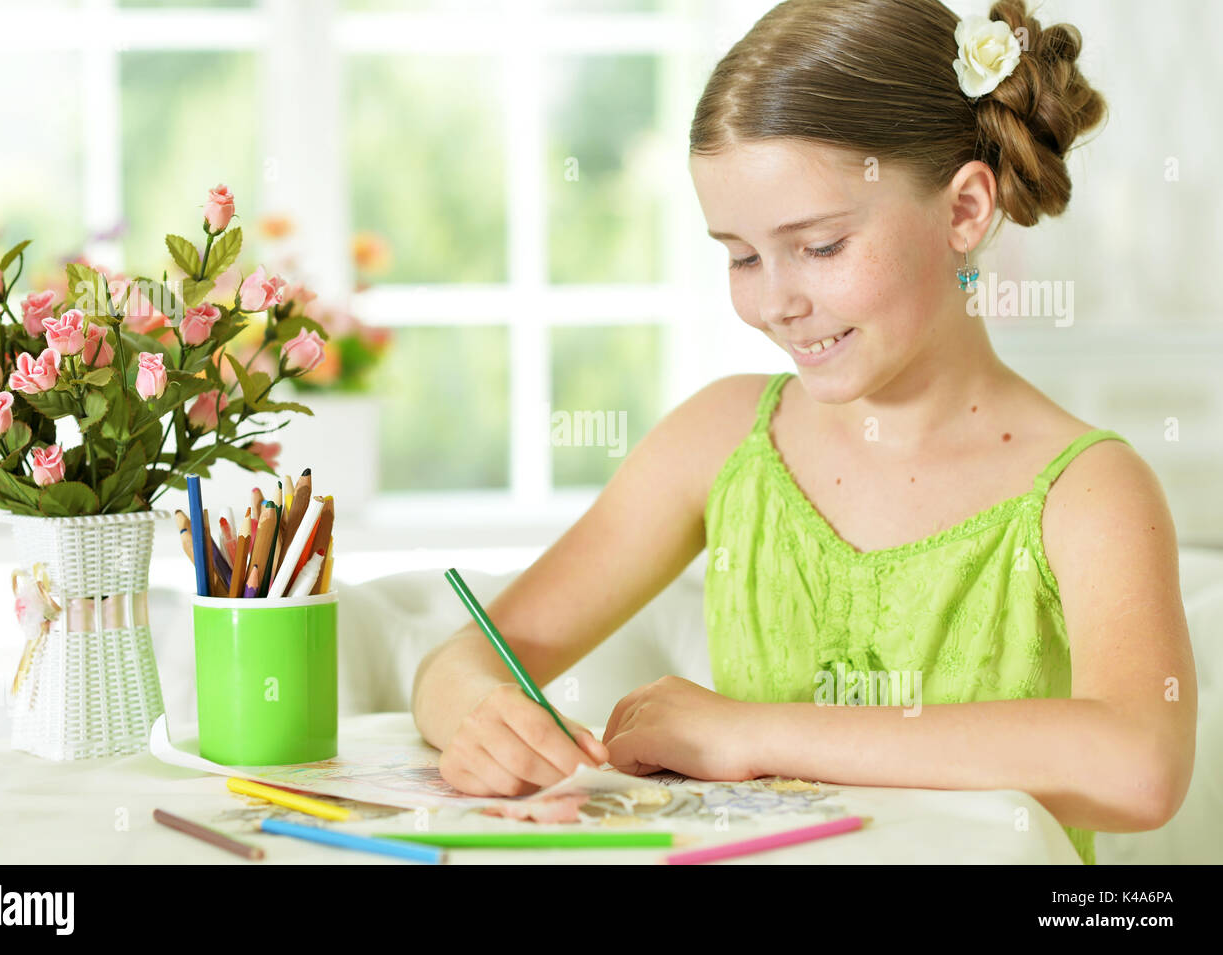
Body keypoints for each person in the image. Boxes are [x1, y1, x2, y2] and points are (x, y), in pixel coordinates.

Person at [411, 0, 1196, 865]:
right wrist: (479, 714)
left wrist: (751, 732)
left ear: (965, 211)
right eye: (741, 256)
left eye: (819, 246)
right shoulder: (719, 437)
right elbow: (466, 657)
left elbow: (1141, 766)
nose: (774, 301)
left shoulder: (1087, 489)